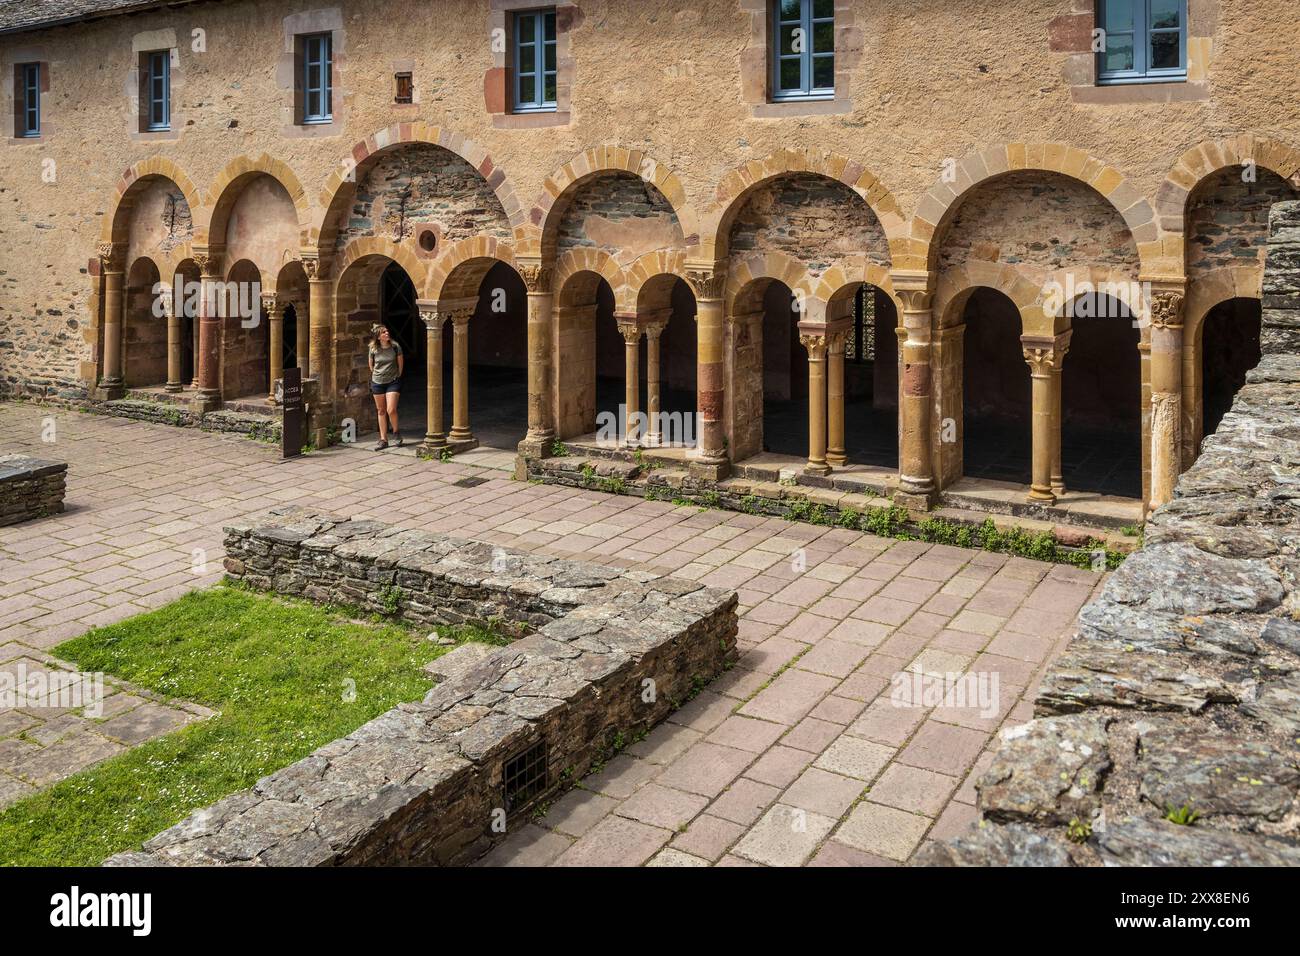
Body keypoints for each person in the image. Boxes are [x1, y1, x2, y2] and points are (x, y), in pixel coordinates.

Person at [368, 323, 404, 450]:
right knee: (381, 410)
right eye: (383, 332)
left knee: (391, 409)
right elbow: (371, 366)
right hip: (377, 382)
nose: (387, 333)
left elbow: (400, 364)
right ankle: (383, 439)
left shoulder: (395, 347)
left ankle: (396, 432)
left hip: (393, 381)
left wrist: (397, 376)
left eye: (387, 331)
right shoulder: (373, 349)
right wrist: (377, 376)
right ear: (378, 337)